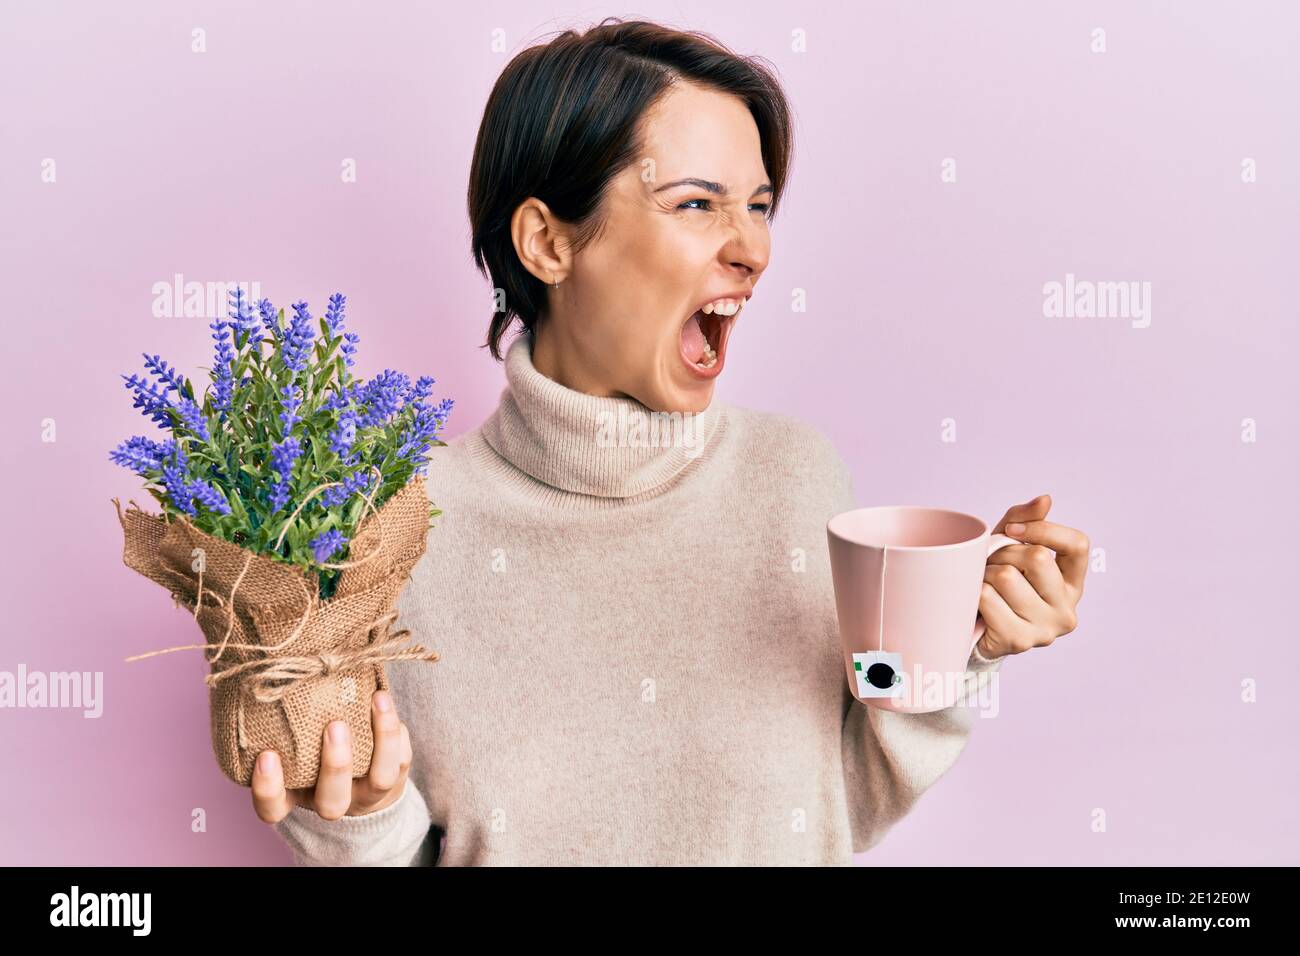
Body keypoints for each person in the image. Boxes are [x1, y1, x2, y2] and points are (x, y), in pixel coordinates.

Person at [253, 18, 1089, 866]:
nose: (755, 248)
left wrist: (962, 639)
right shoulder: (388, 529)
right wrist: (359, 819)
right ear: (548, 241)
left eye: (758, 207)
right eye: (697, 203)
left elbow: (840, 806)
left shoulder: (795, 479)